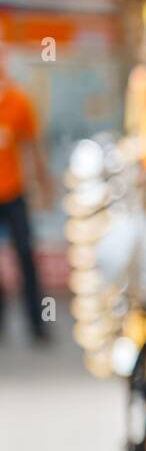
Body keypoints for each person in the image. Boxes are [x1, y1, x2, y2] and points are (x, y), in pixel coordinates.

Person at [0, 44, 54, 344]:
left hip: (12, 193)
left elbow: (32, 147)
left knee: (25, 256)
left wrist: (43, 184)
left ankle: (37, 323)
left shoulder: (18, 102)